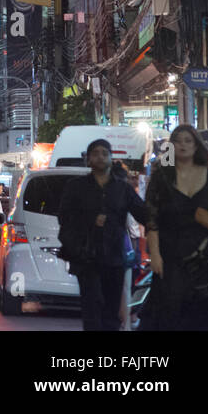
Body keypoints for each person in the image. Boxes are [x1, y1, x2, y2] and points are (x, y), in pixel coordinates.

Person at [57, 139, 149, 331]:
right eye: (96, 153)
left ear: (110, 158)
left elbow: (144, 214)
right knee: (91, 310)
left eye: (104, 153)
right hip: (86, 258)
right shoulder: (76, 187)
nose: (100, 157)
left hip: (114, 258)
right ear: (88, 159)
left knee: (111, 312)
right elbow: (65, 218)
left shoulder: (122, 189)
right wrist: (89, 224)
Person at [138, 124, 208, 331]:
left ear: (196, 146)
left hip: (204, 254)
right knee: (169, 311)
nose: (183, 145)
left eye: (188, 140)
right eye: (178, 140)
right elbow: (152, 219)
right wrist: (154, 254)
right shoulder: (161, 177)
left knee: (203, 314)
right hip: (170, 252)